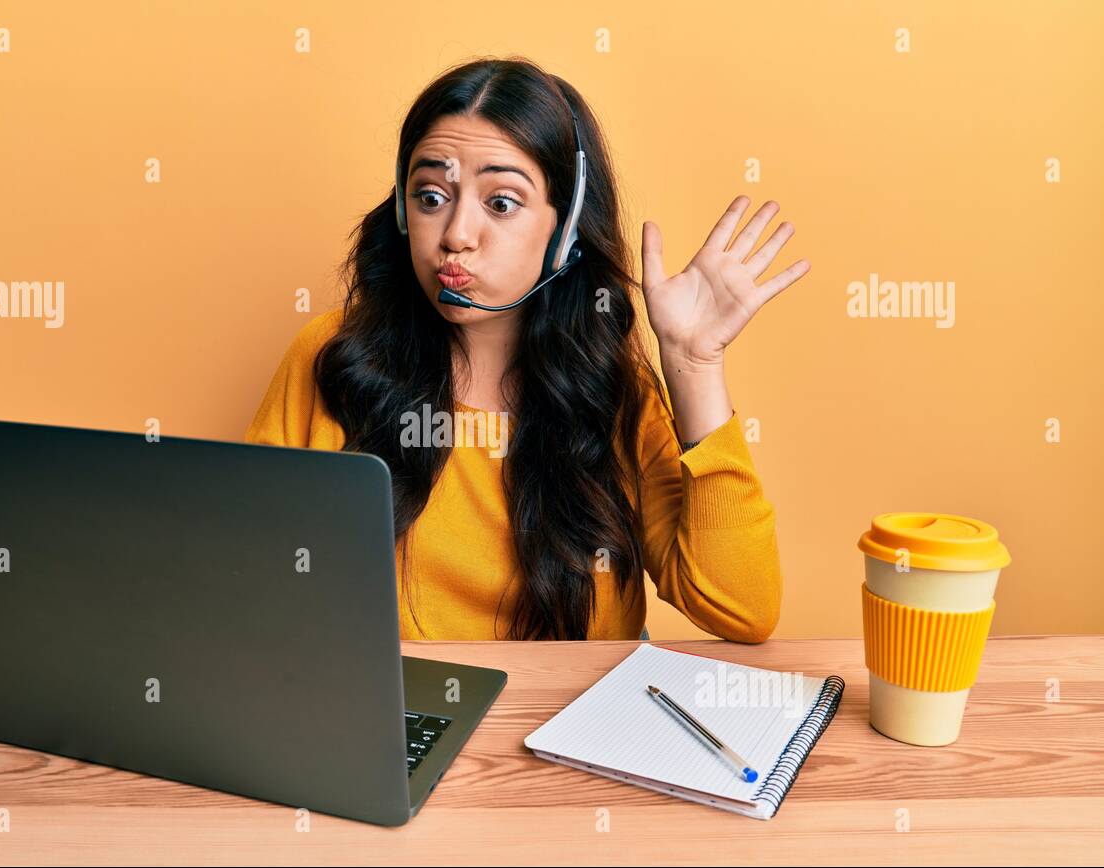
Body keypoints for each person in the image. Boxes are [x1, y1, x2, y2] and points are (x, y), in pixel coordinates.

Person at [245, 56, 809, 643]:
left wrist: (695, 367)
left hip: (571, 728)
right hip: (399, 727)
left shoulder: (613, 390)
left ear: (563, 229)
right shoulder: (333, 357)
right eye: (431, 196)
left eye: (501, 202)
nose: (456, 235)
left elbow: (742, 610)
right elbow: (250, 578)